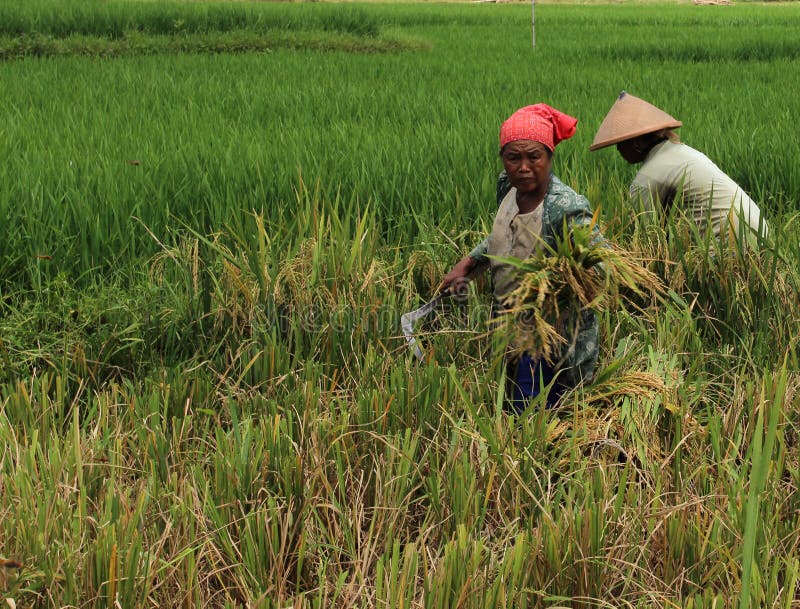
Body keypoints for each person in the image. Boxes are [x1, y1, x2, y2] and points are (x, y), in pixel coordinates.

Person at [441, 104, 602, 413]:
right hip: (508, 325)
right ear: (503, 158)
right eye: (513, 157)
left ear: (550, 157)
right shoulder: (508, 186)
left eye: (534, 157)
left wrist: (561, 276)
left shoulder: (566, 207)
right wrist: (470, 261)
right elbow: (506, 232)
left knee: (531, 415)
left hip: (547, 337)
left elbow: (600, 265)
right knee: (509, 401)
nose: (523, 167)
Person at [589, 91, 769, 245]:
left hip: (729, 247)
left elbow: (645, 239)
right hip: (762, 235)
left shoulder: (647, 178)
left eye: (620, 144)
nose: (618, 150)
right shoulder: (685, 152)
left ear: (636, 143)